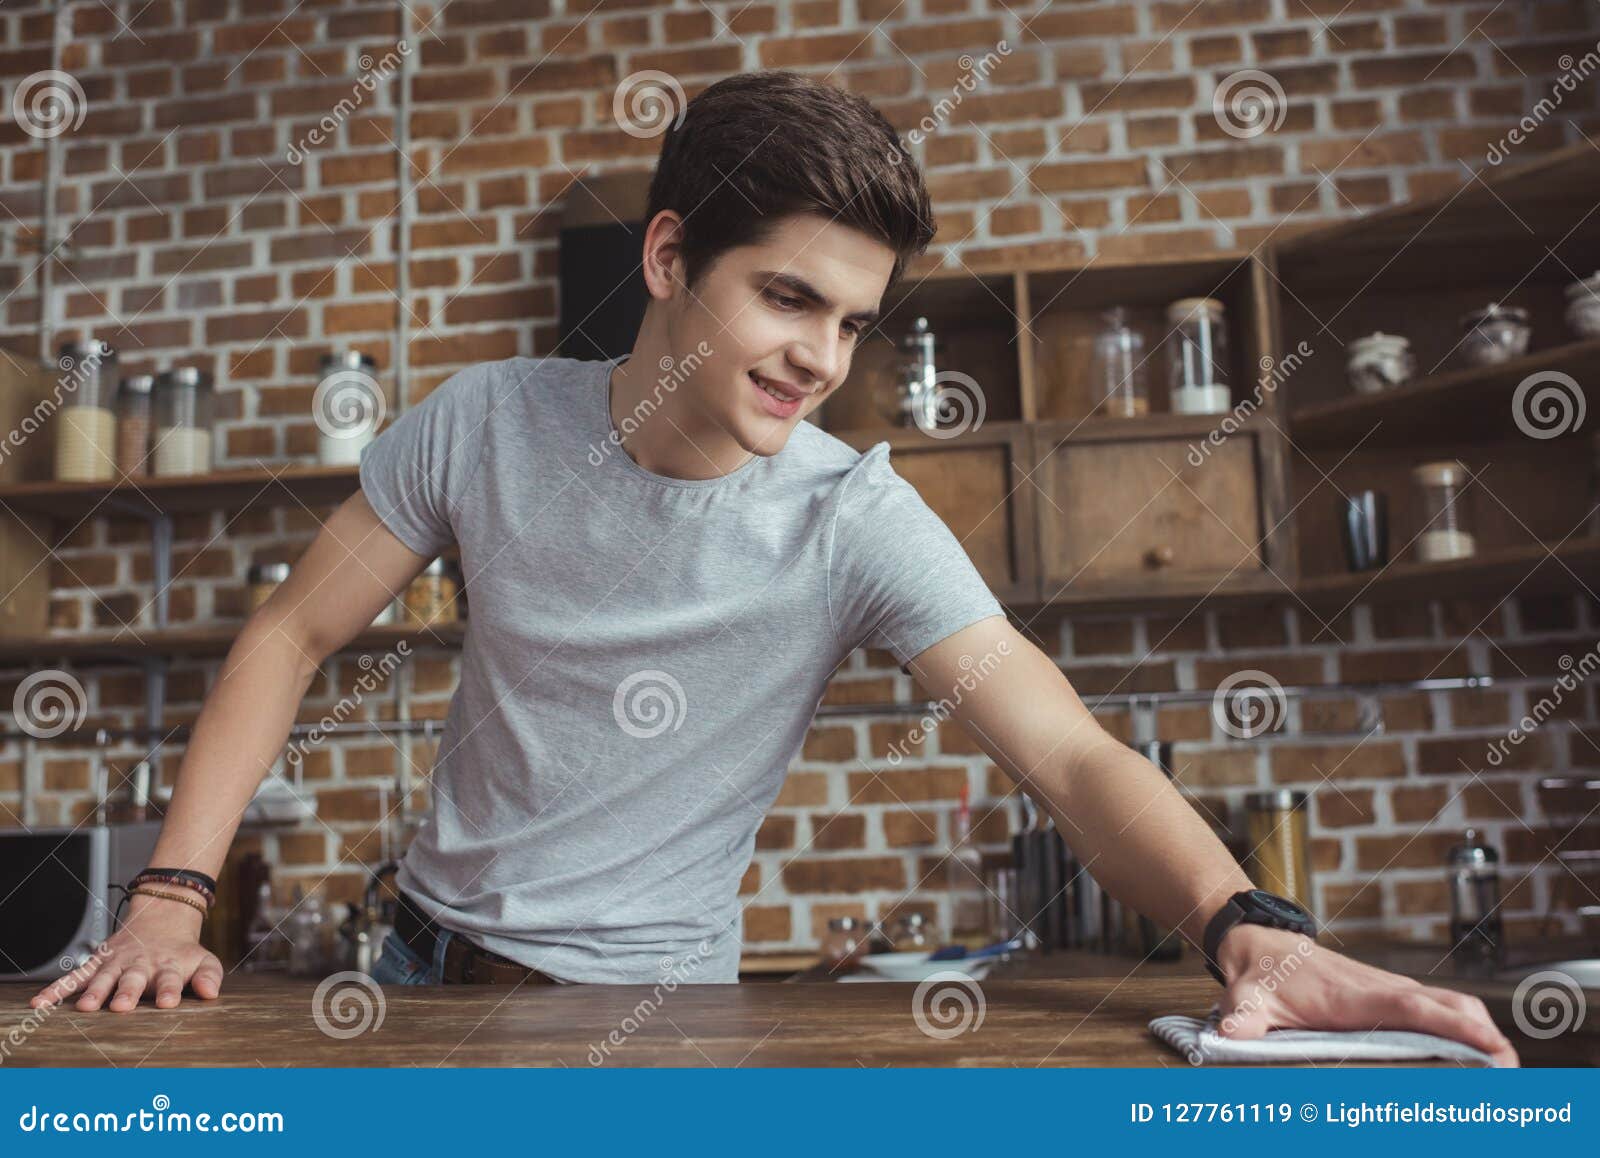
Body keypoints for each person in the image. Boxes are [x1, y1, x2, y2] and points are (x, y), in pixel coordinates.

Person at [28, 70, 1517, 1066]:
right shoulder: (481, 424)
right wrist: (168, 893)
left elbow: (1063, 746)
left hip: (660, 1018)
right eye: (788, 296)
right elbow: (289, 633)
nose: (820, 357)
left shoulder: (852, 517)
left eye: (854, 321)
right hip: (415, 976)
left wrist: (1248, 921)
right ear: (671, 257)